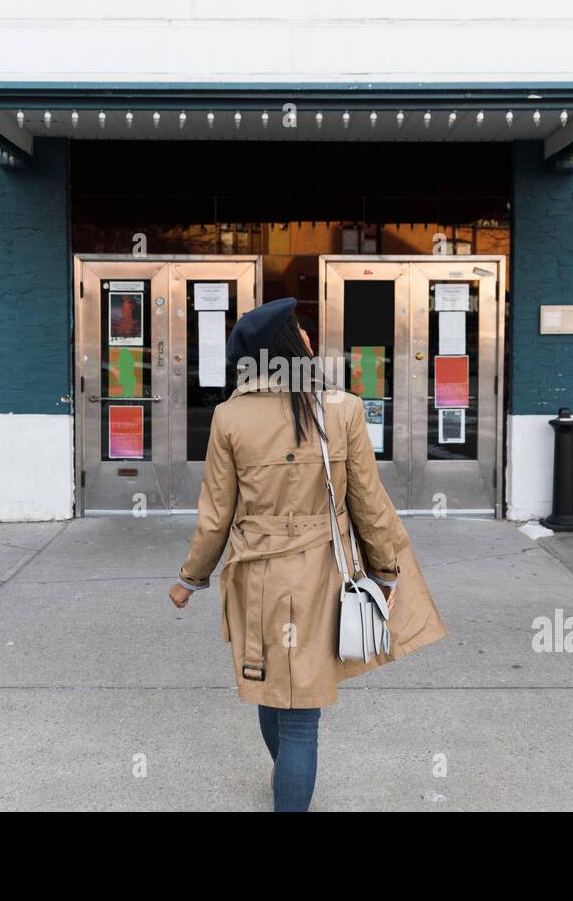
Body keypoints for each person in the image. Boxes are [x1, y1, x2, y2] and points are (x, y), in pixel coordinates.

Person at [169, 297, 448, 811]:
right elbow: (368, 502)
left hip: (257, 578)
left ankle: (286, 783)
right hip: (323, 576)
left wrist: (190, 579)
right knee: (302, 716)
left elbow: (216, 516)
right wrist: (386, 570)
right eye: (302, 332)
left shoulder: (230, 417)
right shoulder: (341, 409)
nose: (311, 340)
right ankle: (291, 789)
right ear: (292, 346)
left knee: (270, 687)